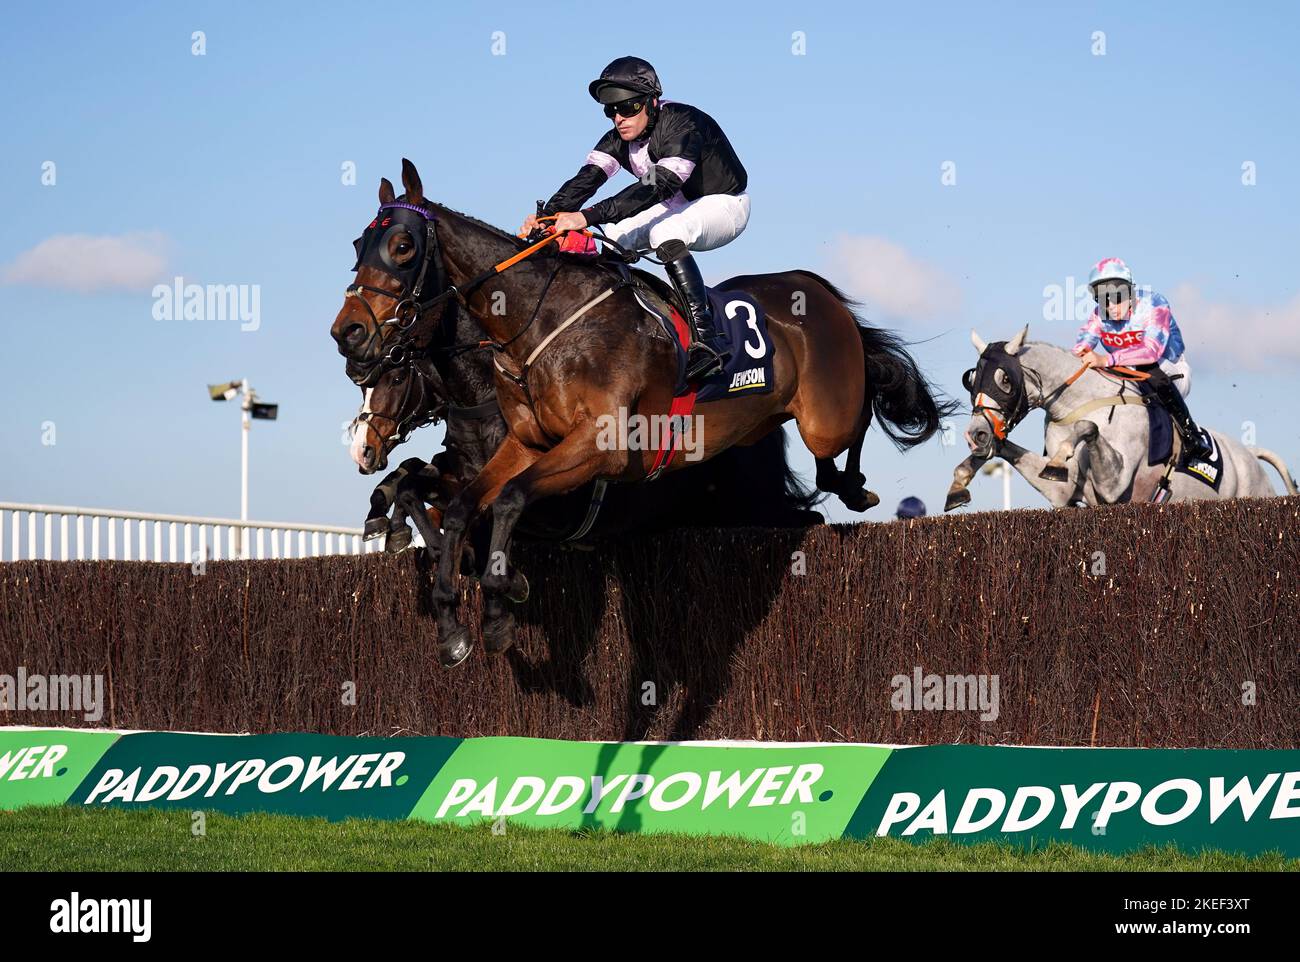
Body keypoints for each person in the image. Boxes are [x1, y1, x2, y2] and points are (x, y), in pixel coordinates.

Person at [520, 56, 750, 381]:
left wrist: (584, 218)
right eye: (611, 110)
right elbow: (586, 180)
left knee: (666, 232)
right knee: (613, 242)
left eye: (627, 108)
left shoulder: (684, 123)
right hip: (676, 203)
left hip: (724, 203)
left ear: (652, 102)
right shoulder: (617, 139)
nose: (618, 118)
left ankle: (706, 339)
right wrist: (547, 218)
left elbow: (655, 188)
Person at [1072, 257, 1212, 460]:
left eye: (1117, 296)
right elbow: (1080, 350)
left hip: (1170, 371)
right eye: (1102, 298)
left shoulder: (1155, 304)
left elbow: (1151, 352)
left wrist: (1104, 360)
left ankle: (1192, 435)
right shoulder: (1098, 316)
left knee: (1146, 367)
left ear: (1130, 290)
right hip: (1128, 375)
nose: (1110, 305)